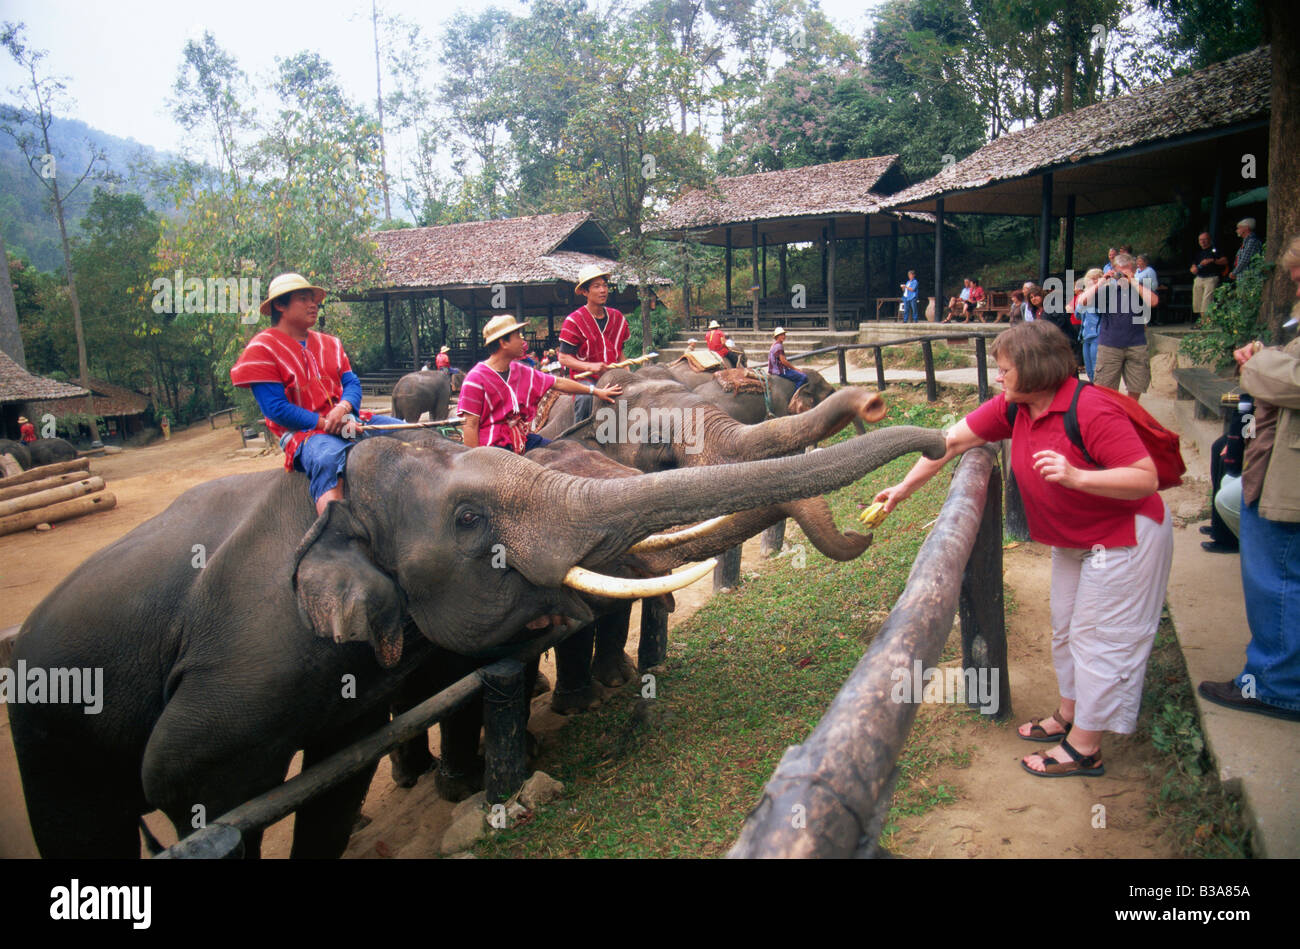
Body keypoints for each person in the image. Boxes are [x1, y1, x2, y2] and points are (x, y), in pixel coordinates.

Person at [876, 321, 1173, 776]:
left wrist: (1077, 477)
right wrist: (901, 489)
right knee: (1065, 630)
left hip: (1124, 537)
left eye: (1005, 369)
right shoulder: (1015, 408)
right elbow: (951, 441)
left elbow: (1144, 478)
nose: (998, 377)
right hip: (1073, 539)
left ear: (1033, 371)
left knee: (1100, 639)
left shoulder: (1091, 409)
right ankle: (1071, 714)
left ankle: (1085, 747)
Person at [1197, 234, 1300, 722]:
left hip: (1289, 475)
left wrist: (1257, 361)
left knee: (1277, 577)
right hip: (1277, 462)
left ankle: (1275, 685)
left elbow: (1292, 380)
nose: (1296, 290)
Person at [230, 272, 405, 516]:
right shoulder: (262, 349)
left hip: (349, 419)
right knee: (328, 459)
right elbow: (276, 409)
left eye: (314, 299)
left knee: (408, 432)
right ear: (280, 305)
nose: (314, 305)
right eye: (304, 299)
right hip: (304, 434)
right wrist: (324, 423)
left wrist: (342, 408)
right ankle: (334, 536)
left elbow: (352, 383)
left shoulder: (330, 343)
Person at [458, 314, 622, 453]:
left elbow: (558, 382)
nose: (522, 342)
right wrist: (476, 468)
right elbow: (470, 425)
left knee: (562, 454)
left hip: (521, 438)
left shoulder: (521, 371)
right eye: (517, 336)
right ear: (503, 343)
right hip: (494, 448)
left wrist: (595, 391)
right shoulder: (475, 379)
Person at [1077, 252, 1158, 402]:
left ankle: (1131, 415)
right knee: (1105, 389)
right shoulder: (1107, 290)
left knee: (1137, 386)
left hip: (1136, 344)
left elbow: (1153, 301)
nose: (1121, 275)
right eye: (1119, 271)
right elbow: (1082, 301)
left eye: (1125, 271)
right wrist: (1101, 282)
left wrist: (1132, 281)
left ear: (1133, 270)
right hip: (1109, 345)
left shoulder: (1139, 288)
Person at [558, 265, 629, 424]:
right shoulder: (573, 321)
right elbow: (563, 358)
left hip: (613, 376)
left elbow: (621, 355)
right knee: (585, 400)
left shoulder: (617, 317)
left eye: (605, 285)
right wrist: (591, 367)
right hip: (587, 380)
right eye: (596, 286)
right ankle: (578, 438)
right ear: (584, 292)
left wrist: (628, 373)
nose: (603, 290)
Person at [1189, 231, 1228, 320]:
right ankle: (1202, 320)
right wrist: (1193, 269)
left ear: (1209, 240)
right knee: (1197, 300)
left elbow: (1225, 261)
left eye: (1205, 239)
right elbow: (1193, 265)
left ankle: (1206, 322)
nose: (1202, 242)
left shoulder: (1215, 249)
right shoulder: (1198, 252)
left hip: (1211, 277)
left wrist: (1212, 260)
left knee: (1207, 300)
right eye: (1200, 240)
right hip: (1199, 277)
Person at [1073, 269, 1103, 381]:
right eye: (1091, 278)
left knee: (1097, 368)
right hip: (1085, 336)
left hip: (1098, 335)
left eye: (1096, 278)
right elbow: (1078, 315)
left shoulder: (1104, 294)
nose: (1093, 281)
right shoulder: (1084, 296)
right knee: (1089, 370)